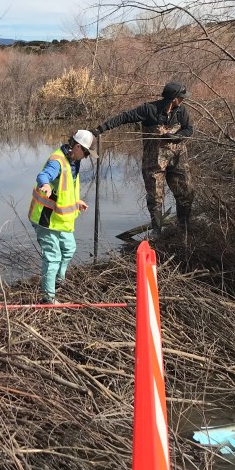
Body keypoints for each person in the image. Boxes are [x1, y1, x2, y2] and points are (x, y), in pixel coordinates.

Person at [92, 81, 194, 236]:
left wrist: (177, 136)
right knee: (155, 197)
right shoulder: (149, 109)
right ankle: (157, 231)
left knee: (186, 193)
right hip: (153, 162)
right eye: (181, 97)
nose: (183, 99)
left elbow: (189, 129)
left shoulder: (181, 111)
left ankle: (184, 228)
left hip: (177, 160)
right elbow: (124, 117)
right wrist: (101, 129)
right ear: (174, 98)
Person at [29, 130, 96, 304]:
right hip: (46, 218)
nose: (87, 157)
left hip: (61, 219)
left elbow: (66, 188)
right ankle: (48, 298)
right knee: (53, 257)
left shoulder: (74, 160)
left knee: (69, 248)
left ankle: (59, 281)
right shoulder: (57, 161)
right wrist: (45, 184)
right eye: (87, 153)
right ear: (78, 147)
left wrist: (77, 200)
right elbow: (43, 175)